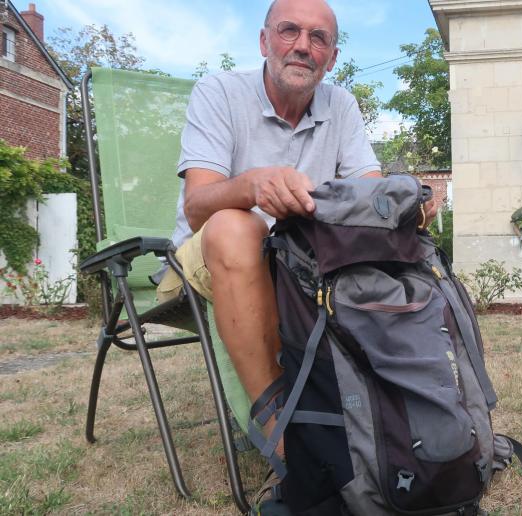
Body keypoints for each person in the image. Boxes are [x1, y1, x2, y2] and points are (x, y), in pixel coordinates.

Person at [155, 0, 434, 503]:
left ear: (331, 56)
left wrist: (404, 200)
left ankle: (390, 421)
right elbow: (197, 207)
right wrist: (253, 185)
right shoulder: (219, 92)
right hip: (209, 258)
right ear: (265, 41)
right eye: (289, 31)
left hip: (299, 266)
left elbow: (368, 193)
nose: (303, 45)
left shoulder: (342, 105)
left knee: (385, 242)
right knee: (237, 228)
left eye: (318, 38)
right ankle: (286, 439)